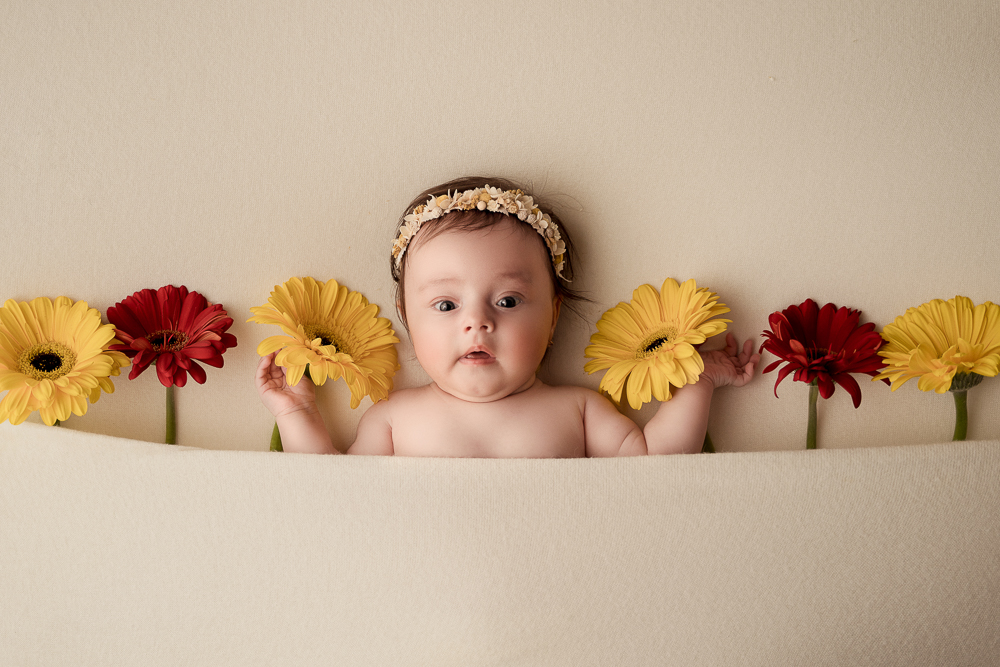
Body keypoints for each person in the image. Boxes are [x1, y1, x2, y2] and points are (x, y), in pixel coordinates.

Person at [255, 177, 758, 457]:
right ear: (408, 319)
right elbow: (334, 496)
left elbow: (652, 468)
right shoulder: (393, 418)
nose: (477, 323)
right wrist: (297, 415)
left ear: (554, 316)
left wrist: (699, 382)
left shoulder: (577, 412)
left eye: (508, 301)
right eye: (446, 306)